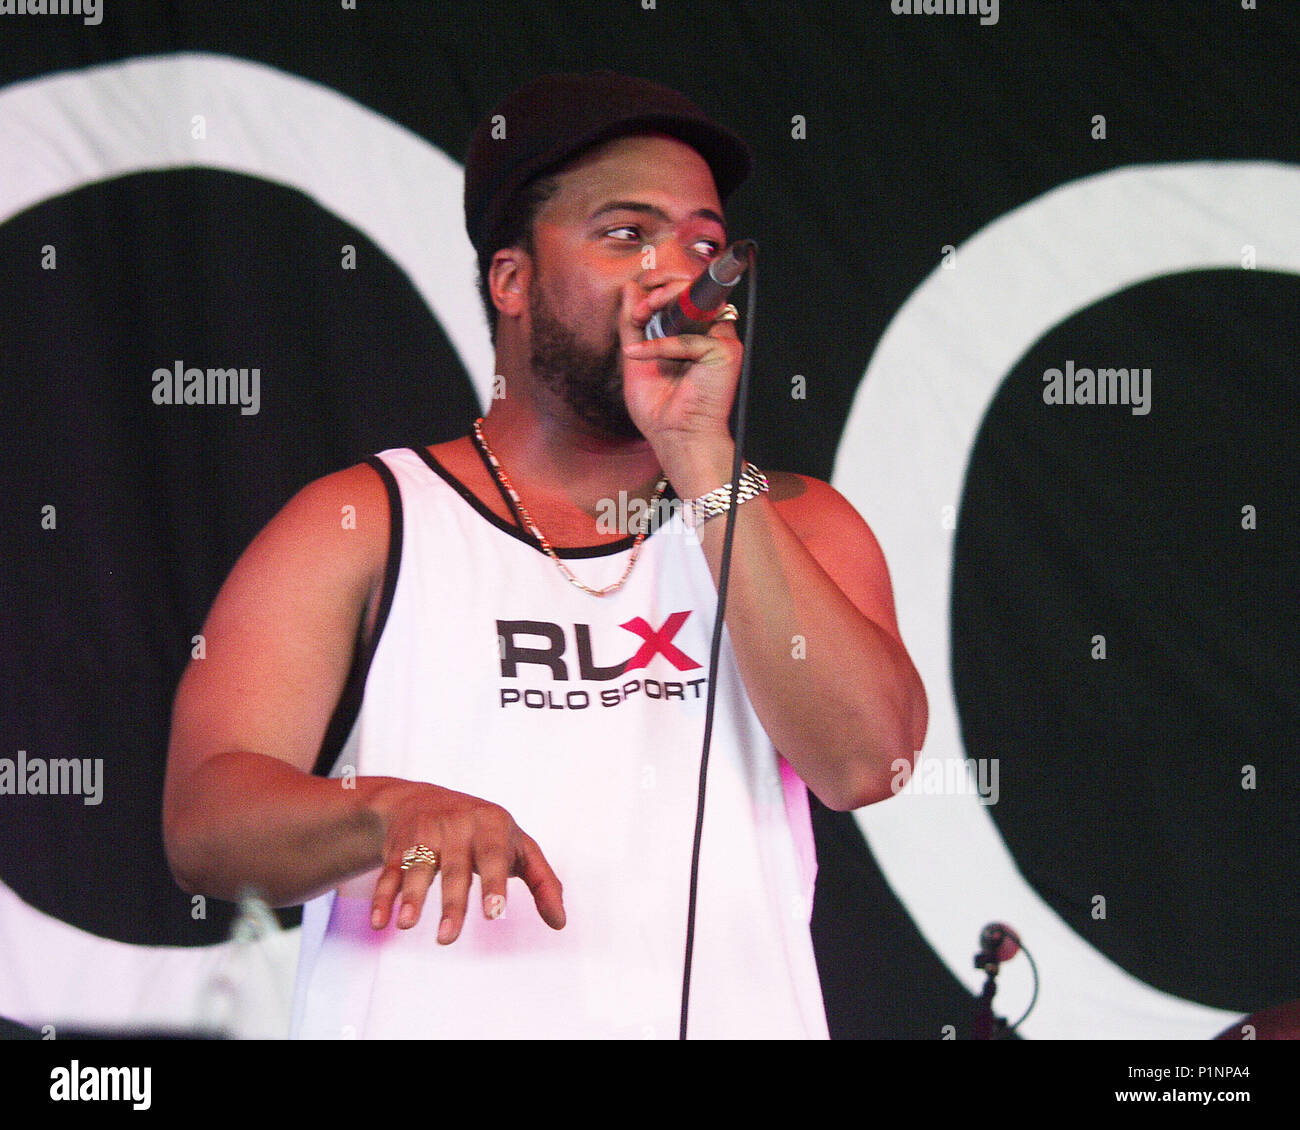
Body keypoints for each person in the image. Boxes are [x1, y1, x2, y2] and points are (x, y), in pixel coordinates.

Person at [162, 71, 928, 1039]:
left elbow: (865, 760)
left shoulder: (787, 517)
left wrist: (698, 452)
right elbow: (206, 823)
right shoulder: (362, 520)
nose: (673, 272)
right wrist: (382, 812)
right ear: (510, 279)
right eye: (624, 233)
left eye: (700, 242)